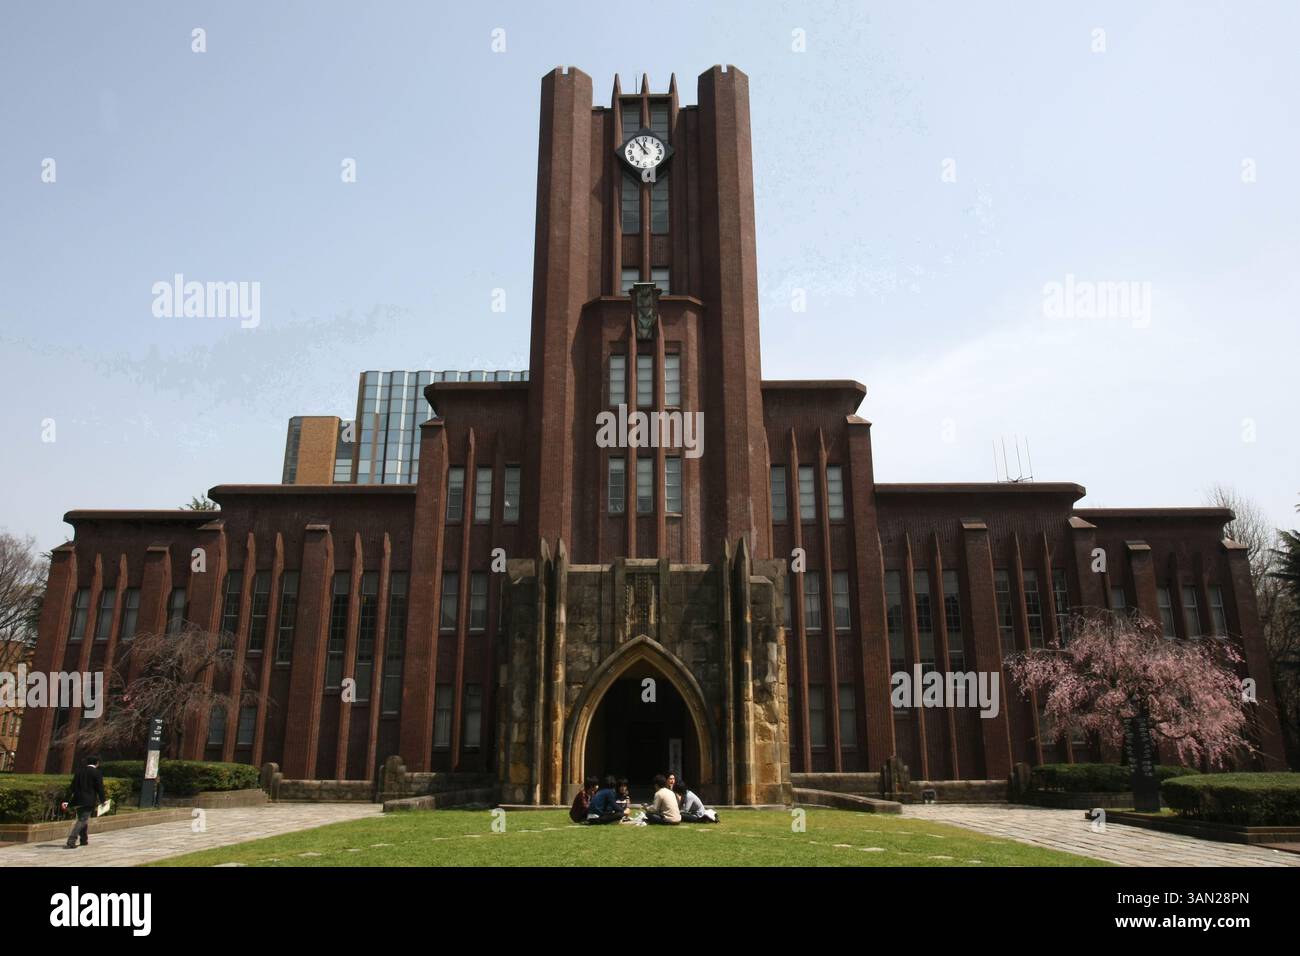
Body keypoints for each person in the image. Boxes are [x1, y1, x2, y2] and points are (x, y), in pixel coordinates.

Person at [63, 755, 106, 849]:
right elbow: (100, 788)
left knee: (83, 818)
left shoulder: (79, 772)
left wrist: (66, 800)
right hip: (89, 800)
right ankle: (71, 840)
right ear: (97, 763)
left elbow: (72, 787)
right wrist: (103, 800)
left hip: (78, 799)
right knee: (82, 820)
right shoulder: (96, 773)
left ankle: (84, 839)